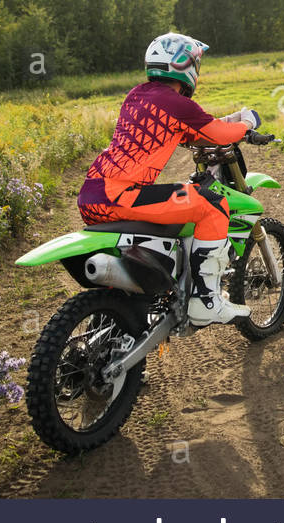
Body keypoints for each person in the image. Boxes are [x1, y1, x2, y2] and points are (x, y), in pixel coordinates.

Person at [77, 32, 264, 326]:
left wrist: (229, 119)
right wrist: (247, 121)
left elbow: (194, 131)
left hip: (93, 193)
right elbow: (218, 134)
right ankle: (206, 301)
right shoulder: (177, 104)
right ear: (186, 67)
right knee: (211, 205)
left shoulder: (137, 95)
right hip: (121, 194)